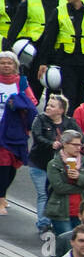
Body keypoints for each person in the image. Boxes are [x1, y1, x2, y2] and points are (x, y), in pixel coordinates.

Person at [50, 0, 84, 112]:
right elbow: (49, 37)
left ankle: (82, 126)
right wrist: (44, 62)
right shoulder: (59, 11)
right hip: (67, 60)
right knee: (69, 97)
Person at [44, 130, 84, 239]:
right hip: (60, 211)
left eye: (79, 144)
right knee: (67, 244)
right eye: (74, 144)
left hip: (81, 211)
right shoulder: (54, 164)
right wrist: (82, 188)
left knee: (80, 243)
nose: (78, 148)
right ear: (65, 144)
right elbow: (59, 188)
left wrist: (79, 177)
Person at [0, 49, 36, 218]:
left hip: (15, 130)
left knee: (14, 163)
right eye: (2, 63)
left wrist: (19, 104)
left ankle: (3, 192)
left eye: (9, 63)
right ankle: (1, 198)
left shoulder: (21, 82)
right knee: (4, 162)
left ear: (15, 66)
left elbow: (32, 103)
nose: (6, 66)